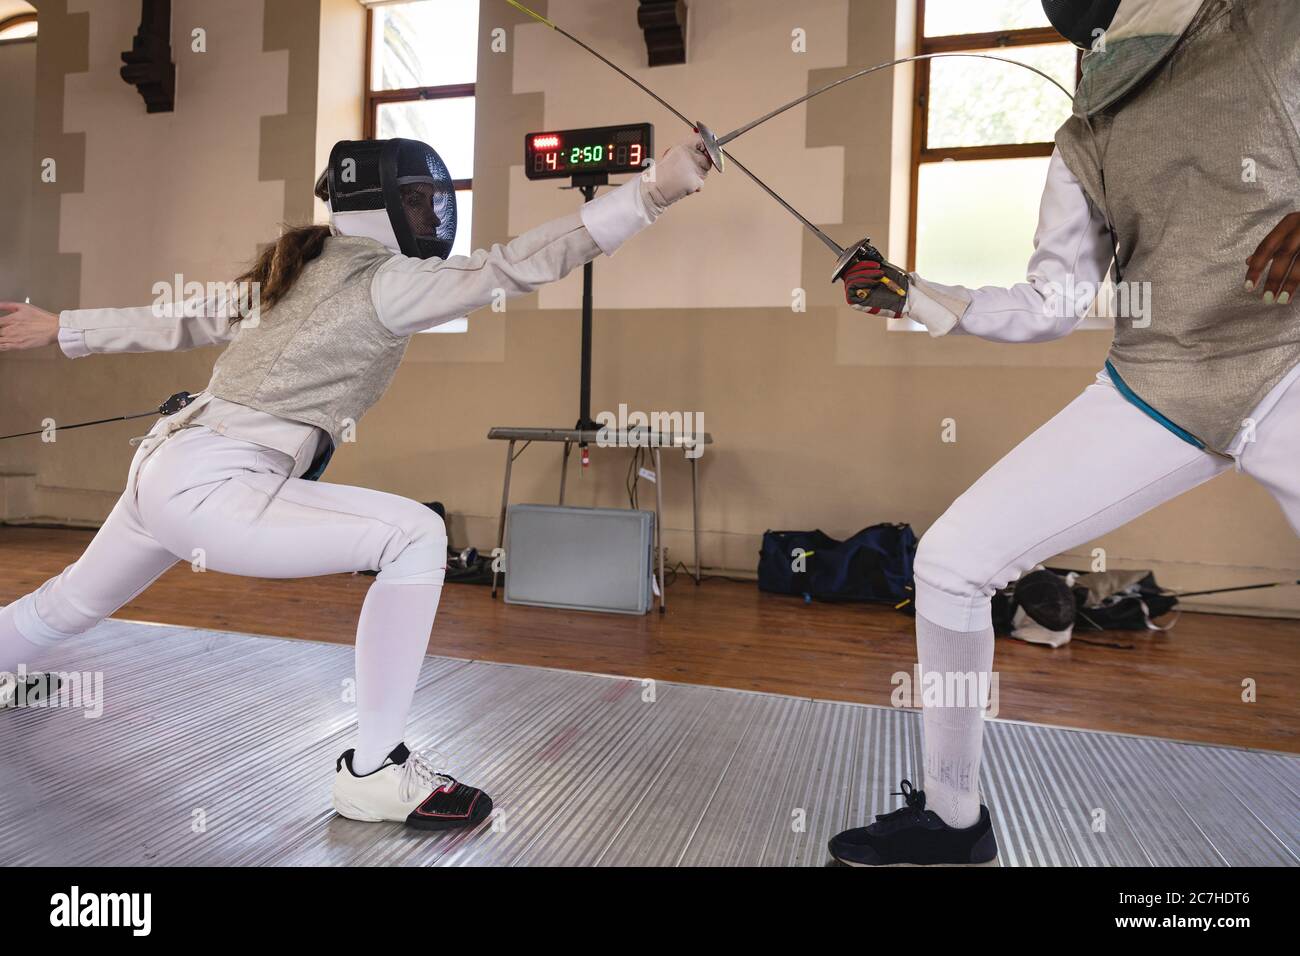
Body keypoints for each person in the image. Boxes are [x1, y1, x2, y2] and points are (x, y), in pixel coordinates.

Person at [0, 134, 712, 831]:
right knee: (415, 535)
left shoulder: (296, 270)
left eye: (438, 199)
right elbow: (514, 265)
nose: (435, 214)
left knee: (68, 603)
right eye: (420, 199)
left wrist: (65, 328)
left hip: (168, 466)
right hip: (212, 484)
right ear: (380, 203)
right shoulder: (384, 280)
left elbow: (182, 316)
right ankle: (374, 772)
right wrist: (649, 193)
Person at [828, 0, 1300, 865]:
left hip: (1291, 365)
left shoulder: (1269, 23)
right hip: (1162, 386)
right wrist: (914, 293)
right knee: (950, 562)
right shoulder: (1087, 133)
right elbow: (1051, 303)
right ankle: (955, 820)